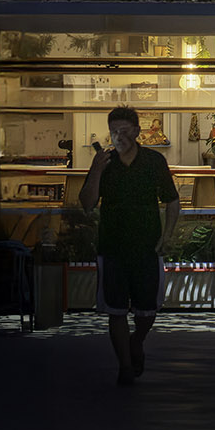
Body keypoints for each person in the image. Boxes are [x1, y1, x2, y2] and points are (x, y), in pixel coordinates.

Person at [79, 105, 180, 386]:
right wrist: (97, 170)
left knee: (147, 311)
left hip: (148, 246)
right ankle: (124, 365)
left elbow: (172, 200)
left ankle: (137, 341)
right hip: (112, 246)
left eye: (124, 131)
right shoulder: (104, 162)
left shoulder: (153, 162)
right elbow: (87, 204)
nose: (119, 136)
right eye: (114, 131)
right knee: (116, 309)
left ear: (137, 132)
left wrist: (167, 235)